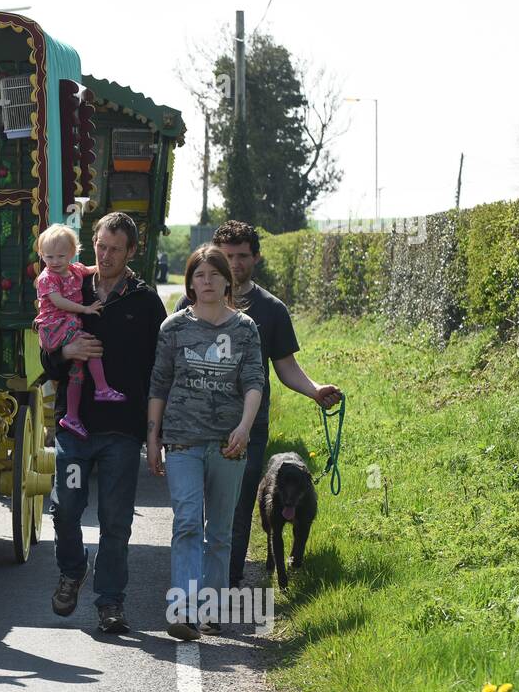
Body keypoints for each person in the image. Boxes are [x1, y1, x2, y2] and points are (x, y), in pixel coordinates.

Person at [175, 220, 342, 585]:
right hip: (192, 426)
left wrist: (315, 390)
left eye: (242, 256)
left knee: (234, 512)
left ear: (256, 258)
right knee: (192, 511)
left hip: (247, 428)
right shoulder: (188, 302)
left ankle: (222, 588)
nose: (233, 263)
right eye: (226, 255)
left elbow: (285, 367)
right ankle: (192, 586)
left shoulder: (270, 310)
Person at [40, 212, 168, 634]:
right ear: (90, 245)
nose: (106, 255)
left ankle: (110, 602)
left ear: (132, 252)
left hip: (122, 431)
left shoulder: (146, 301)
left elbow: (159, 372)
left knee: (116, 521)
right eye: (100, 246)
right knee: (65, 509)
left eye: (115, 248)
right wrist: (66, 353)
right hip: (75, 428)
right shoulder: (68, 284)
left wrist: (154, 434)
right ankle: (72, 571)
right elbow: (46, 351)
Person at [148, 244, 264, 641]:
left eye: (215, 274)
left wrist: (245, 428)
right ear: (191, 283)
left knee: (220, 530)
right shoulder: (174, 328)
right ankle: (182, 610)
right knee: (185, 523)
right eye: (200, 275)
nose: (208, 281)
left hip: (229, 443)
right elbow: (159, 384)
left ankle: (211, 609)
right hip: (182, 441)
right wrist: (152, 436)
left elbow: (254, 381)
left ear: (226, 281)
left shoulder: (245, 328)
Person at [33, 224, 127, 440]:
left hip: (67, 323)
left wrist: (123, 271)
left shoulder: (74, 270)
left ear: (72, 253)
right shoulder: (47, 278)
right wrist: (86, 309)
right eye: (48, 257)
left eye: (60, 256)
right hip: (54, 327)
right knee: (87, 343)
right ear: (41, 255)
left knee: (77, 372)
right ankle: (102, 388)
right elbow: (58, 302)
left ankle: (72, 416)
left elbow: (94, 269)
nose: (55, 262)